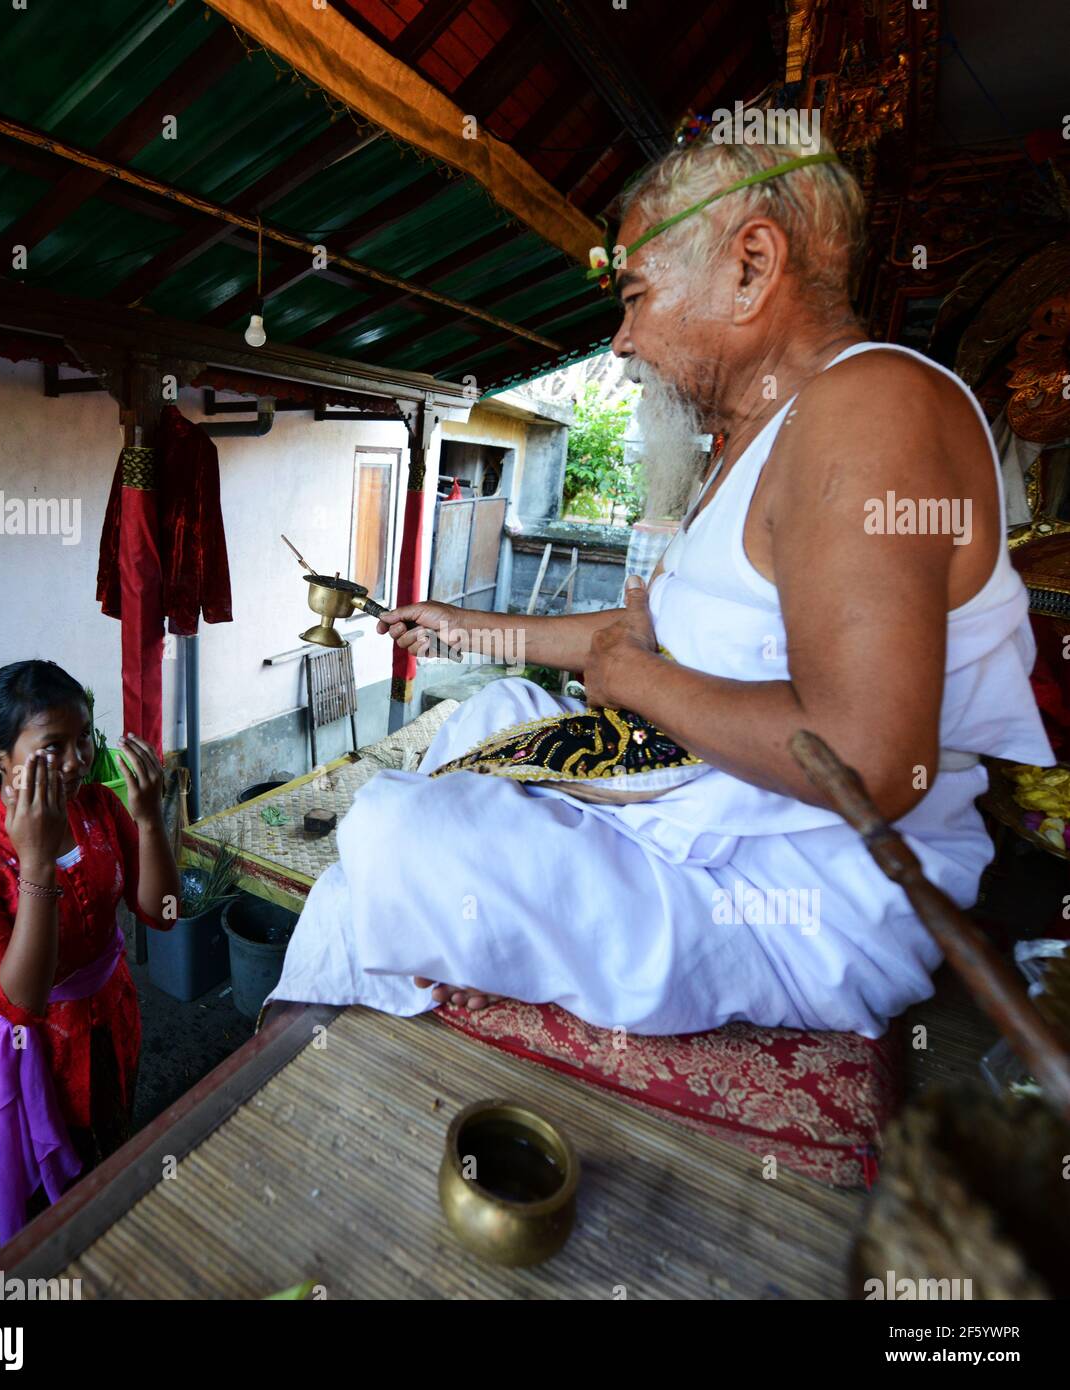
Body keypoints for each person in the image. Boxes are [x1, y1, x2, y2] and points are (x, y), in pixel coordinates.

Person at [268, 134, 1054, 1037]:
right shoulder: (765, 440)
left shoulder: (872, 407)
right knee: (490, 718)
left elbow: (871, 762)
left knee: (392, 834)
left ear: (751, 267)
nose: (622, 341)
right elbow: (651, 633)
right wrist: (464, 628)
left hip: (793, 897)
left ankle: (372, 994)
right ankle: (481, 941)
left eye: (635, 297)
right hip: (708, 821)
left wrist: (635, 682)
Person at [0, 661, 179, 1248]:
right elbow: (22, 1001)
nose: (77, 761)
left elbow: (162, 915)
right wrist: (36, 862)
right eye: (53, 747)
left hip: (111, 1030)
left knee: (107, 1181)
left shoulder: (97, 809)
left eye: (84, 738)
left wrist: (148, 818)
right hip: (28, 1061)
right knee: (45, 1221)